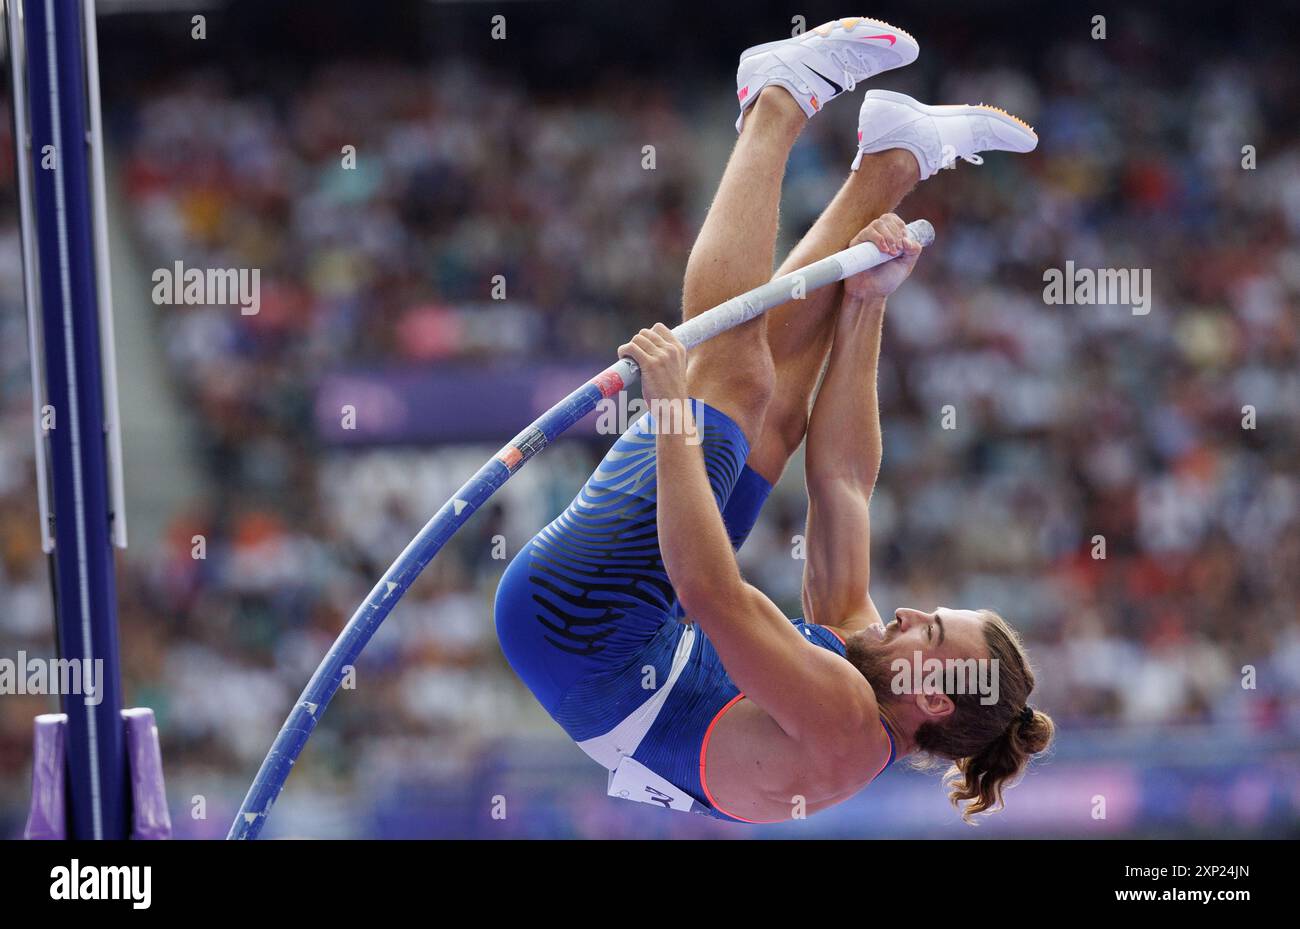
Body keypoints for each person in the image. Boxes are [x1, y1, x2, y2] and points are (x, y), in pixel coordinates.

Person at [494, 17, 1053, 824]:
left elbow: (710, 588)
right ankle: (891, 163)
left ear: (931, 694)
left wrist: (676, 411)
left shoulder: (843, 721)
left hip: (581, 630)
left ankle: (776, 97)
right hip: (647, 631)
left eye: (926, 629)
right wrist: (865, 309)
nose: (902, 613)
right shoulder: (871, 673)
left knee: (732, 378)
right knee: (775, 423)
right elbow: (844, 481)